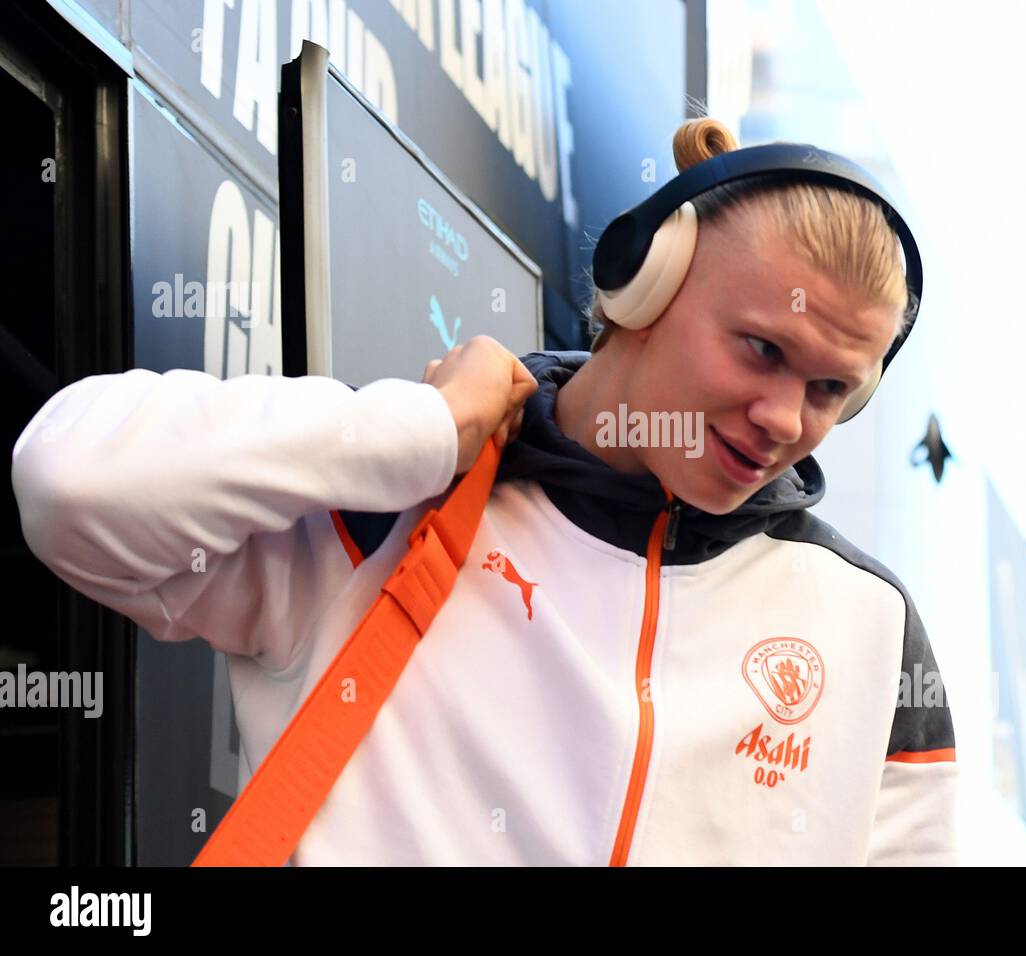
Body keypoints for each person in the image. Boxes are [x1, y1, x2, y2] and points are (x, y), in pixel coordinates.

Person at [11, 117, 958, 865]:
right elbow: (68, 484)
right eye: (763, 349)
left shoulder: (868, 623)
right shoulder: (392, 499)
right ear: (642, 288)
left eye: (831, 389)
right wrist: (421, 432)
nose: (785, 419)